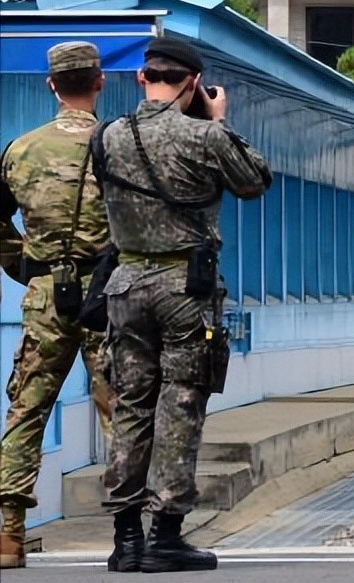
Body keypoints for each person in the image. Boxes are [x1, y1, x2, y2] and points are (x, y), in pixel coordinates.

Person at [93, 36, 271, 573]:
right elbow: (254, 180)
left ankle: (125, 540)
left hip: (123, 286)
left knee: (131, 406)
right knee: (181, 406)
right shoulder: (203, 136)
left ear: (141, 79)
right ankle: (165, 534)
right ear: (193, 84)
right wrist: (217, 121)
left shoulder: (109, 137)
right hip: (183, 291)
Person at [0, 42, 116, 570]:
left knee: (26, 411)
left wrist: (23, 266)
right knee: (121, 408)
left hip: (44, 293)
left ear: (51, 86)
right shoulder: (118, 145)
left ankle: (8, 537)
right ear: (99, 82)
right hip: (107, 292)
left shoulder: (20, 150)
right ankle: (130, 530)